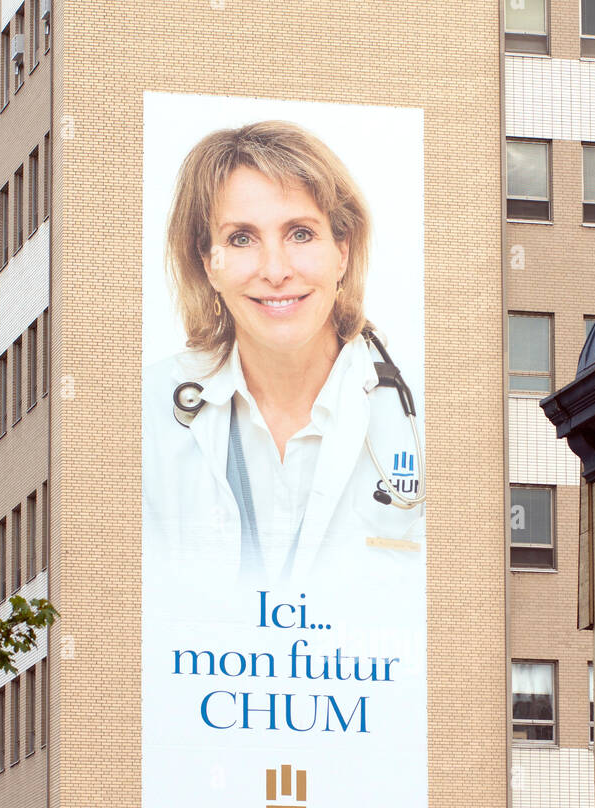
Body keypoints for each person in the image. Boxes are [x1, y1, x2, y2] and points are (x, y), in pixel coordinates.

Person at [142, 120, 425, 600]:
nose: (275, 271)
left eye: (300, 233)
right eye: (240, 239)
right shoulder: (145, 412)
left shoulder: (424, 417)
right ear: (209, 264)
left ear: (342, 249)